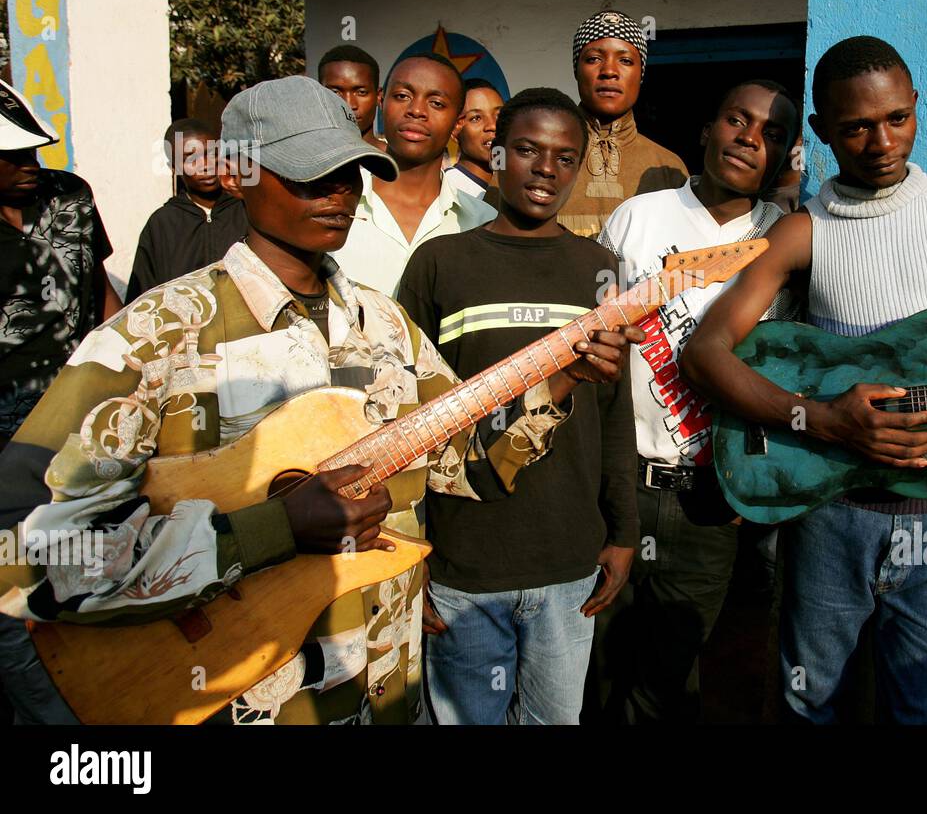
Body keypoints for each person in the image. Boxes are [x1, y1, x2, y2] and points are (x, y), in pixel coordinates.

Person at [0, 75, 638, 726]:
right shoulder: (154, 338)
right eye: (310, 175)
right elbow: (22, 549)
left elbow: (469, 465)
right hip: (245, 703)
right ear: (240, 175)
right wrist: (271, 528)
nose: (337, 192)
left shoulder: (386, 327)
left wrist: (562, 382)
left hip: (387, 695)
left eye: (351, 171)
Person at [680, 36, 927, 724]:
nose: (881, 141)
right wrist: (822, 420)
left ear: (914, 109)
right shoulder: (799, 234)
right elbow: (706, 353)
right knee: (812, 705)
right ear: (820, 132)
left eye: (897, 119)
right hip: (832, 515)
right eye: (855, 126)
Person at [398, 88, 642, 725]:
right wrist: (406, 553)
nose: (545, 170)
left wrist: (623, 530)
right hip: (465, 560)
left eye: (565, 158)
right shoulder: (439, 265)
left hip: (568, 558)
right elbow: (406, 420)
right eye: (528, 150)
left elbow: (614, 413)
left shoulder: (601, 270)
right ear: (496, 152)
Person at [589, 80, 800, 723]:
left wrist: (754, 490)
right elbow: (594, 344)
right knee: (594, 669)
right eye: (737, 120)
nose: (748, 138)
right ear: (707, 130)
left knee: (669, 679)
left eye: (770, 134)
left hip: (715, 500)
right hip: (620, 488)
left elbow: (791, 373)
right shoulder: (637, 218)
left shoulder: (787, 241)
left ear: (784, 155)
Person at [0, 78, 122, 723]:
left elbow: (101, 295)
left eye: (33, 153)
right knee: (12, 597)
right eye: (12, 157)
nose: (29, 167)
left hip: (86, 425)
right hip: (6, 449)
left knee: (99, 569)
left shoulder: (70, 196)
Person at [332, 54, 495, 296]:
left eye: (437, 103)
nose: (416, 110)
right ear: (382, 102)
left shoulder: (484, 222)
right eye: (402, 96)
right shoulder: (335, 207)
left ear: (458, 122)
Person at [556, 9, 689, 238]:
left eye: (625, 60)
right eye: (594, 59)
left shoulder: (669, 167)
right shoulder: (539, 155)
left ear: (641, 74)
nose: (609, 71)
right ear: (576, 70)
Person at [126, 118, 249, 301]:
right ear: (174, 167)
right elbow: (144, 298)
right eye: (190, 158)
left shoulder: (248, 210)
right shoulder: (162, 224)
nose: (206, 165)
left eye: (212, 154)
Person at [443, 78, 503, 200]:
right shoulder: (447, 190)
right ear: (455, 130)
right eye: (476, 118)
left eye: (499, 115)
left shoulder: (518, 188)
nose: (492, 125)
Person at [319, 44, 385, 150]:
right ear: (319, 95)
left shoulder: (400, 162)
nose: (348, 105)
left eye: (361, 92)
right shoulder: (302, 162)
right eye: (335, 92)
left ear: (378, 96)